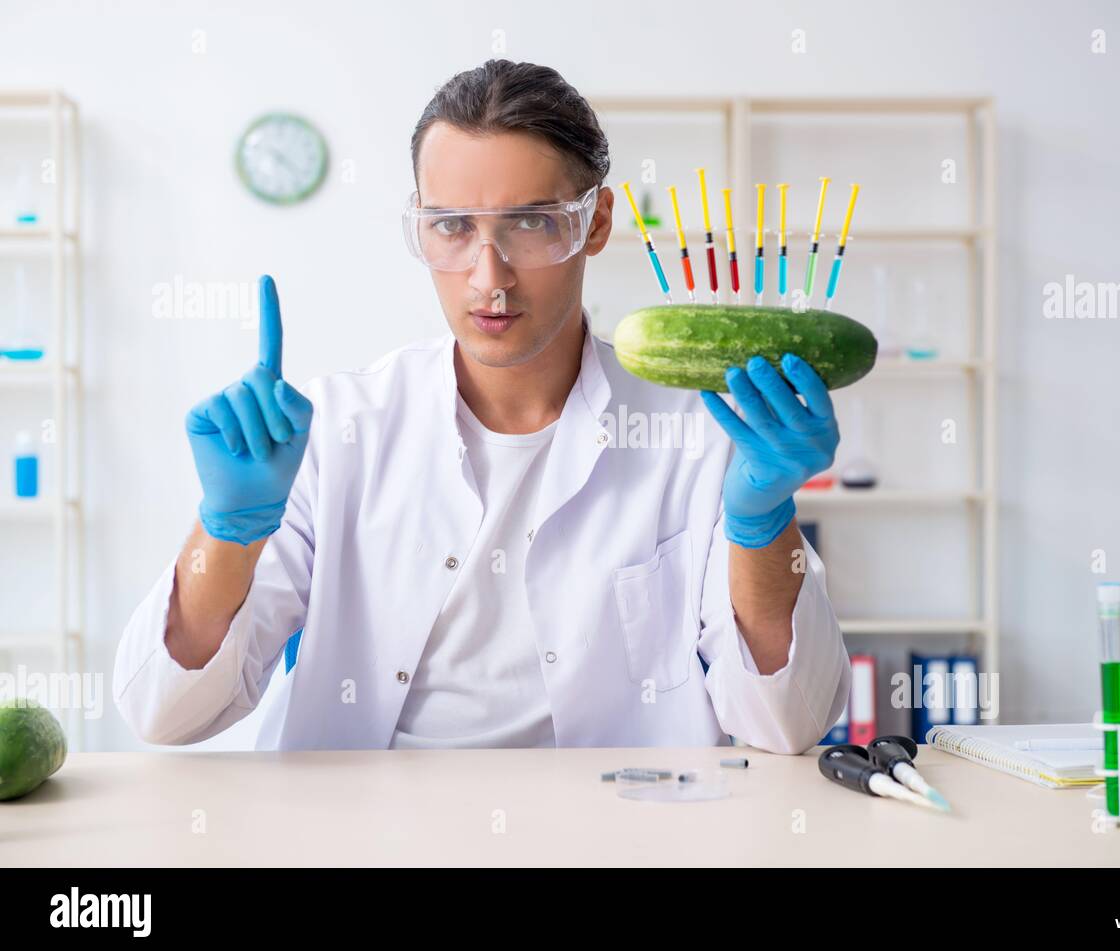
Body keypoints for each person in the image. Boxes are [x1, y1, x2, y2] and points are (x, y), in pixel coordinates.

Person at [114, 59, 850, 753]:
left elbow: (785, 722)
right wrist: (229, 531)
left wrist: (762, 524)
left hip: (615, 829)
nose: (487, 275)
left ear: (594, 224)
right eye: (452, 226)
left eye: (531, 222)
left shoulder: (697, 432)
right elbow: (164, 710)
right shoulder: (337, 428)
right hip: (360, 833)